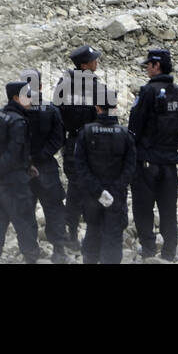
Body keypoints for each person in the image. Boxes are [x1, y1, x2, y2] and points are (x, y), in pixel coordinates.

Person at [129, 47, 178, 260]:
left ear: (156, 66)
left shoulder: (148, 91)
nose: (147, 69)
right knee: (168, 209)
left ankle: (149, 250)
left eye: (148, 65)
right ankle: (170, 251)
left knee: (143, 207)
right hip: (170, 161)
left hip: (147, 161)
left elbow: (135, 125)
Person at [0, 81, 41, 263]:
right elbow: (13, 153)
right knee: (25, 221)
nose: (31, 100)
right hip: (14, 182)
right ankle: (31, 256)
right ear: (16, 98)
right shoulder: (19, 121)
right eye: (27, 96)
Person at [54, 44, 105, 249]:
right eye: (93, 60)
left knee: (79, 187)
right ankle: (76, 233)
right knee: (78, 188)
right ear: (84, 65)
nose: (97, 63)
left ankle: (80, 233)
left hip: (79, 141)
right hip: (83, 141)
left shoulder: (67, 84)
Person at [75, 94, 134, 264]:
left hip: (92, 195)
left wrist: (98, 191)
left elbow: (80, 165)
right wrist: (114, 190)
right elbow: (130, 168)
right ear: (115, 109)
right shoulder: (125, 134)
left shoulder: (86, 132)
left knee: (93, 232)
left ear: (97, 108)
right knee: (114, 236)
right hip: (116, 195)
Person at [21, 68, 69, 262]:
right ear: (40, 86)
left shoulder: (18, 109)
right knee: (54, 208)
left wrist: (26, 158)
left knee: (25, 211)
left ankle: (30, 253)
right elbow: (59, 139)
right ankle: (59, 249)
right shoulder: (51, 109)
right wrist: (43, 154)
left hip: (23, 168)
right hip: (47, 167)